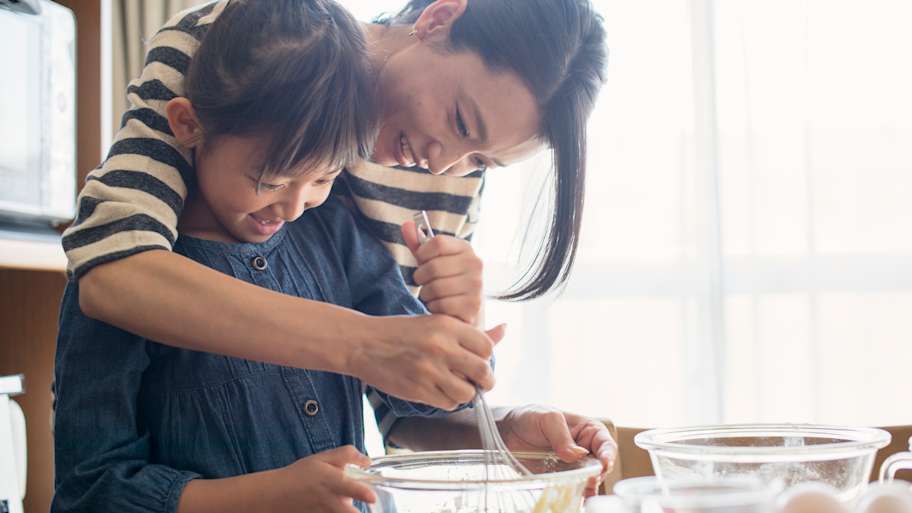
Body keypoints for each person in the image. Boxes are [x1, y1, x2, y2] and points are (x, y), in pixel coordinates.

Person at [62, 0, 617, 488]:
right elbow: (115, 269)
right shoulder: (249, 40)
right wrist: (368, 344)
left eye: (481, 160)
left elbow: (398, 408)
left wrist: (495, 423)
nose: (444, 163)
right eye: (460, 121)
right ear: (439, 19)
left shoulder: (445, 174)